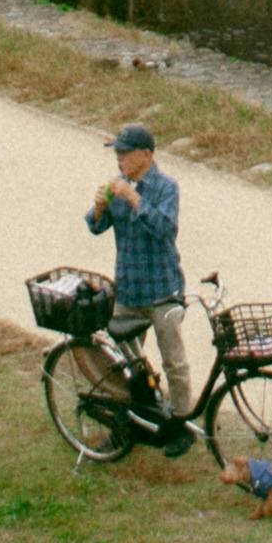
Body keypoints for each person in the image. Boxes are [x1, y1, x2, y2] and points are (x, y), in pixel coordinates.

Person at [86, 123, 192, 422]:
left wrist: (133, 199)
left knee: (174, 361)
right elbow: (95, 226)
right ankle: (133, 417)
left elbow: (164, 229)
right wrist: (98, 207)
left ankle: (180, 420)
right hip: (129, 291)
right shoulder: (116, 185)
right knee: (124, 361)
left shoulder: (166, 187)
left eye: (125, 154)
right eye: (117, 154)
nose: (119, 161)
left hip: (162, 291)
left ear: (146, 155)